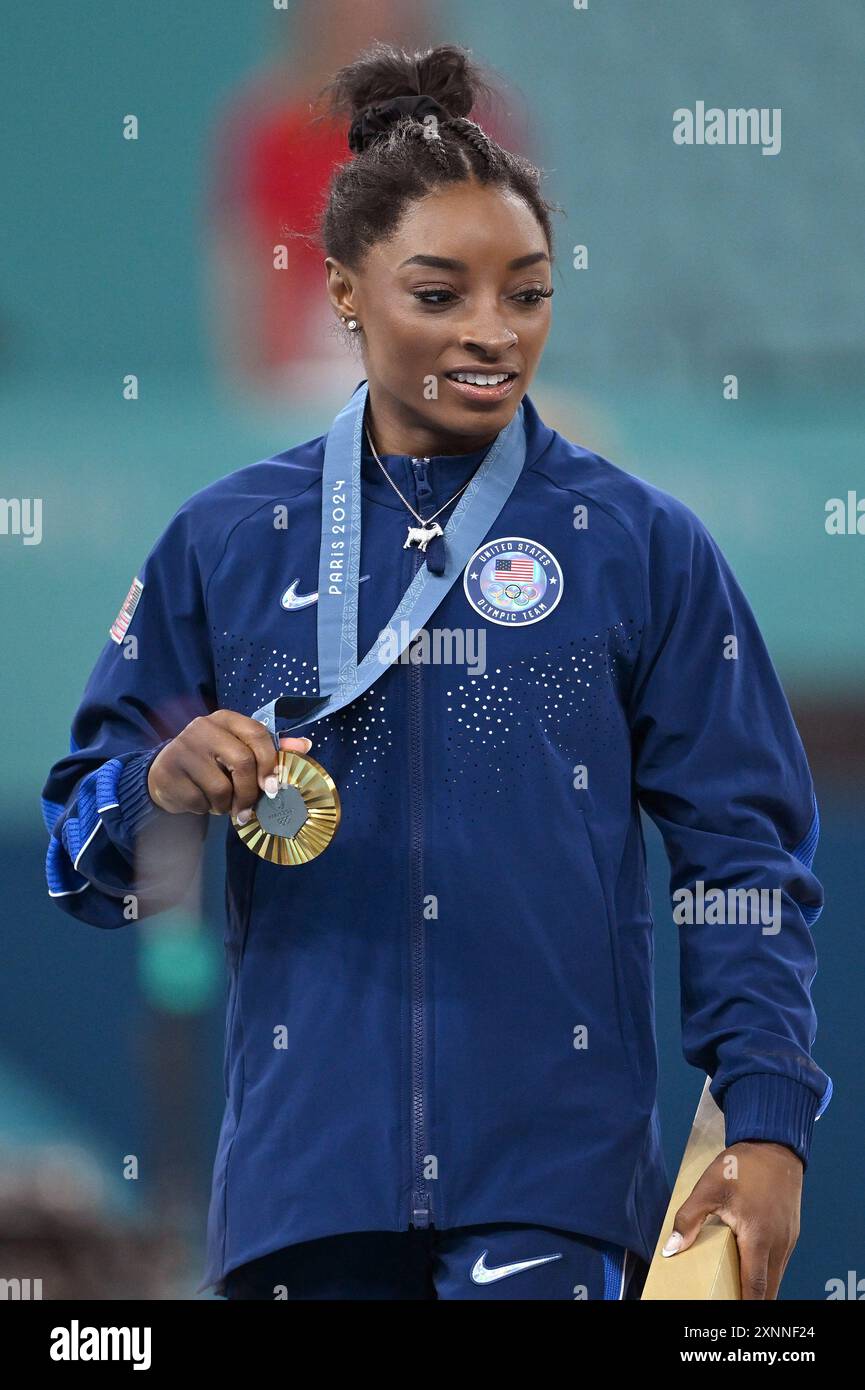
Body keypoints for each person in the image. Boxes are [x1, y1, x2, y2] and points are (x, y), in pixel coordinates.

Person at [41, 42, 830, 1301]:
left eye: (526, 292)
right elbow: (81, 850)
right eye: (439, 292)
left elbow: (744, 857)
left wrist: (767, 1114)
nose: (491, 331)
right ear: (346, 293)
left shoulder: (636, 545)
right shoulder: (228, 540)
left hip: (556, 1181)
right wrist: (160, 787)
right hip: (304, 1185)